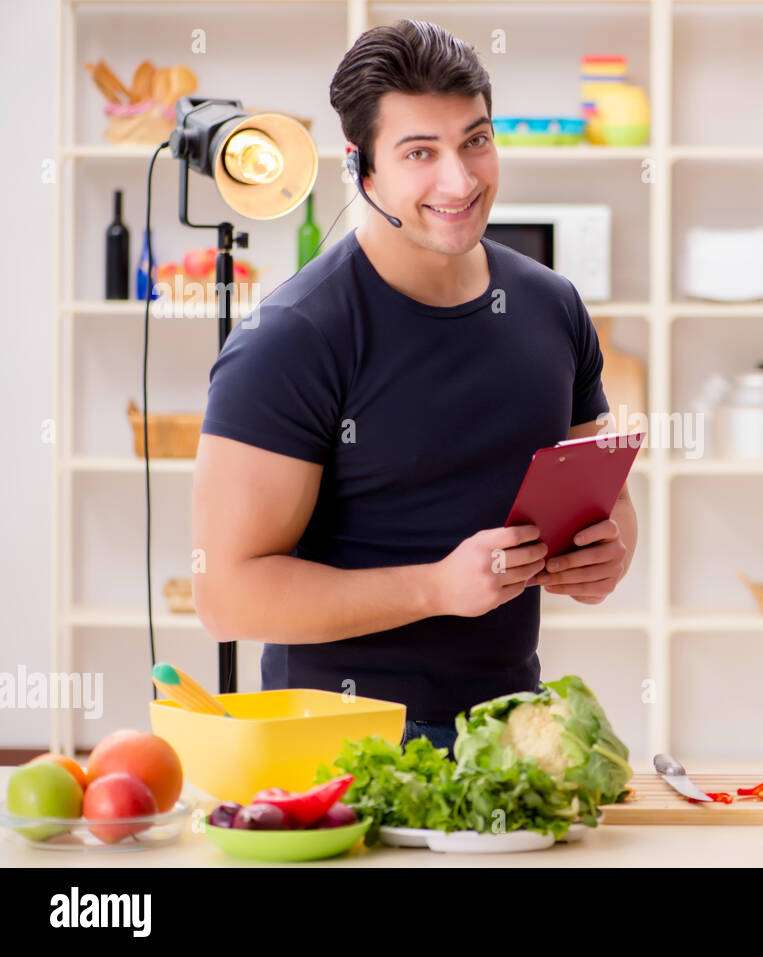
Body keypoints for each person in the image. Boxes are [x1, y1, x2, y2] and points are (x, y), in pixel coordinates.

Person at [192, 20, 637, 752]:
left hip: (510, 738)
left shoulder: (552, 304)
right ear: (362, 167)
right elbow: (226, 595)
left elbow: (610, 503)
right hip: (336, 752)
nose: (459, 181)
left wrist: (607, 553)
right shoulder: (294, 336)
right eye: (420, 153)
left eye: (476, 141)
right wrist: (436, 587)